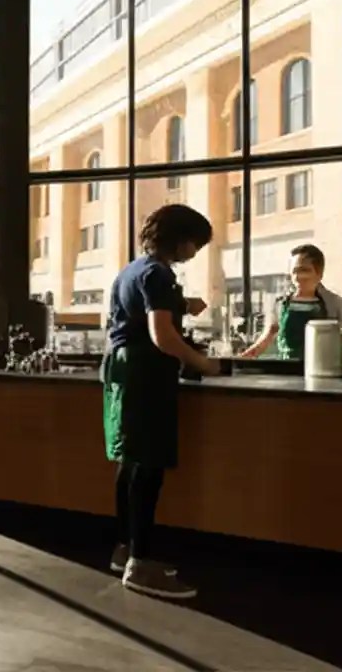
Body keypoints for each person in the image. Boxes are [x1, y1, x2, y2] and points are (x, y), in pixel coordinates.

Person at [102, 204, 221, 600]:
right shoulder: (159, 273)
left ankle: (125, 548)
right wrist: (203, 362)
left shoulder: (133, 269)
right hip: (146, 374)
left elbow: (136, 313)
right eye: (195, 245)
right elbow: (163, 337)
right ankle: (142, 563)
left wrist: (183, 305)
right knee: (148, 468)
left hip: (123, 370)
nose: (195, 252)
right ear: (182, 239)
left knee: (130, 462)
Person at [239, 244, 342, 360]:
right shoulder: (280, 304)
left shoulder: (339, 306)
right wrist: (241, 360)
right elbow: (265, 340)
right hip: (287, 373)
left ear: (319, 273)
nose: (298, 277)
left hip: (321, 371)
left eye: (304, 270)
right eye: (294, 271)